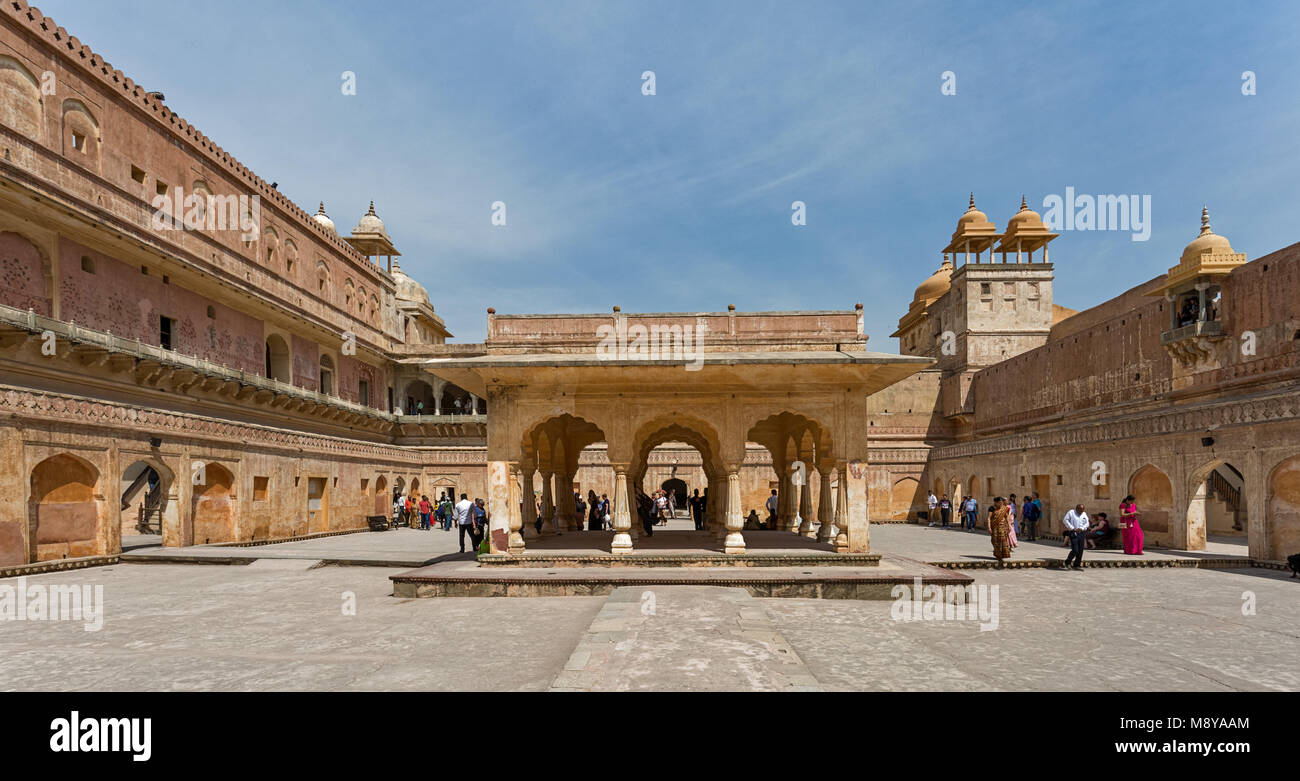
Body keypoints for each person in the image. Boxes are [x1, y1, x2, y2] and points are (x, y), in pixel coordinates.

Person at [1062, 503, 1090, 570]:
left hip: (1081, 533)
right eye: (1080, 510)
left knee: (1080, 550)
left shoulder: (1084, 514)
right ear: (1076, 509)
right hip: (1073, 532)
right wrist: (1072, 528)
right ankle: (1067, 562)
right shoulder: (1071, 512)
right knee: (1075, 550)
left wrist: (1082, 528)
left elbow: (1087, 523)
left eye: (1082, 510)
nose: (1081, 512)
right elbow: (1065, 520)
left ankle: (1077, 565)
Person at [988, 497, 1011, 562]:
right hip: (994, 527)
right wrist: (989, 527)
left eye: (1002, 503)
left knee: (1002, 540)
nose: (1001, 504)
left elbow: (1007, 518)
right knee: (994, 540)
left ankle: (1002, 555)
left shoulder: (1004, 509)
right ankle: (997, 553)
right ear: (996, 502)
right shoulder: (992, 508)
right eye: (999, 503)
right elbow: (989, 518)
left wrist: (1009, 526)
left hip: (1003, 527)